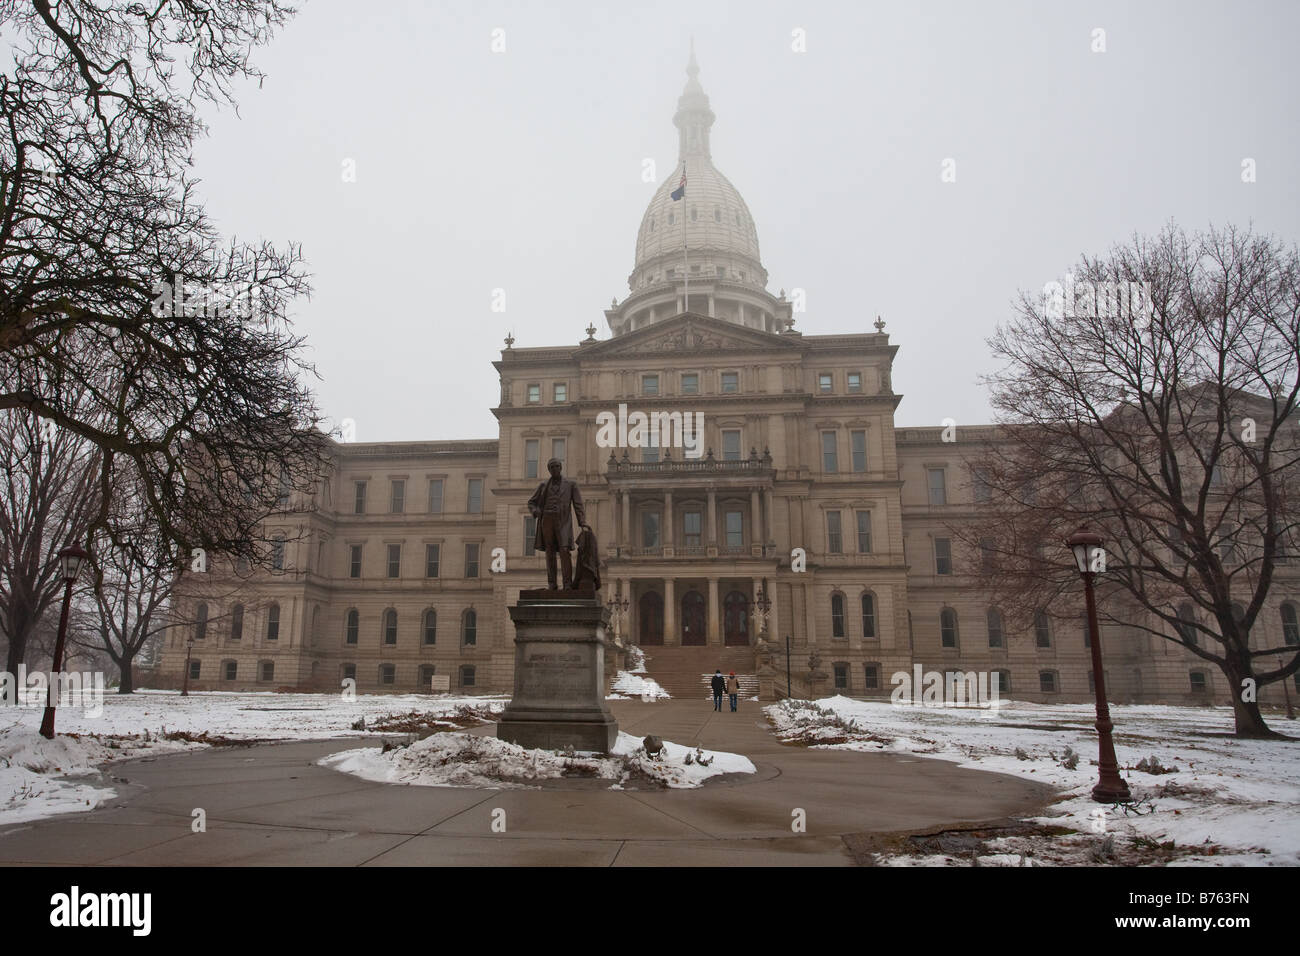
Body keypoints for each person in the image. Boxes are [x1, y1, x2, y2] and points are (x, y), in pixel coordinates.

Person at [526, 458, 588, 590]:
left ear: (561, 468)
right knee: (550, 552)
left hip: (563, 521)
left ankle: (567, 584)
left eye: (557, 466)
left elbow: (578, 504)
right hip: (546, 521)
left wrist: (582, 522)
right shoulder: (543, 485)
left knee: (564, 551)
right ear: (549, 470)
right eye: (552, 467)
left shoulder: (571, 485)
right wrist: (536, 511)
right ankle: (552, 583)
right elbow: (531, 502)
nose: (555, 469)